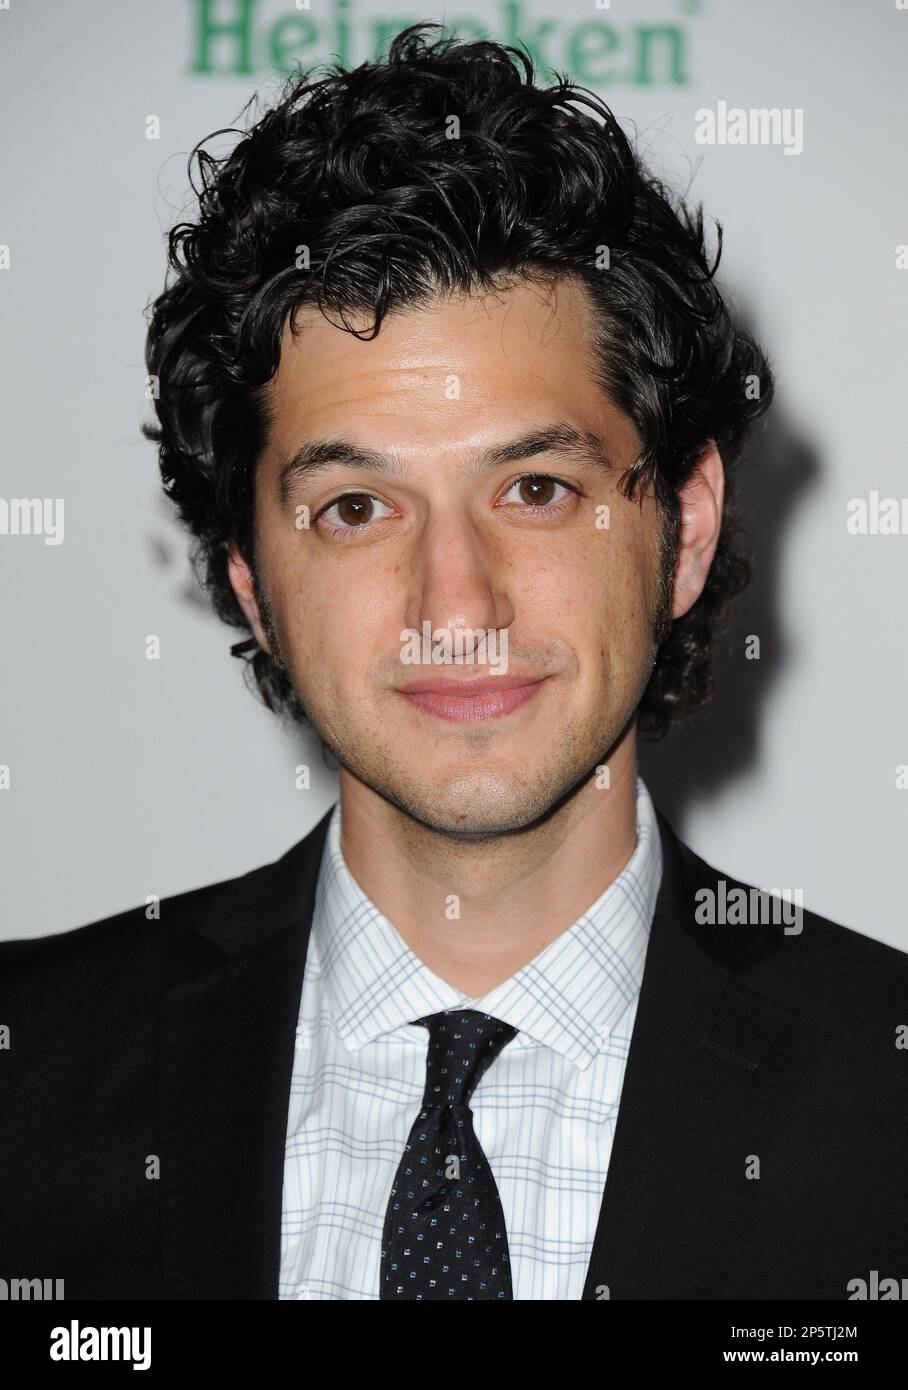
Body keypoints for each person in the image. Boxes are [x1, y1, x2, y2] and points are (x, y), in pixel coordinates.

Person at [2, 24, 905, 1302]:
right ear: (252, 581)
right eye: (355, 508)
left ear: (683, 530)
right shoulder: (28, 1074)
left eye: (535, 488)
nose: (455, 600)